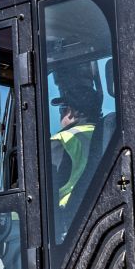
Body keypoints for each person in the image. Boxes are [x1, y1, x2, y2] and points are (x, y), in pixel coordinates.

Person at [50, 68, 101, 217]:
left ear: (72, 112)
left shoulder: (63, 140)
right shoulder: (105, 134)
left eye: (62, 109)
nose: (61, 115)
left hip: (67, 219)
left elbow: (39, 188)